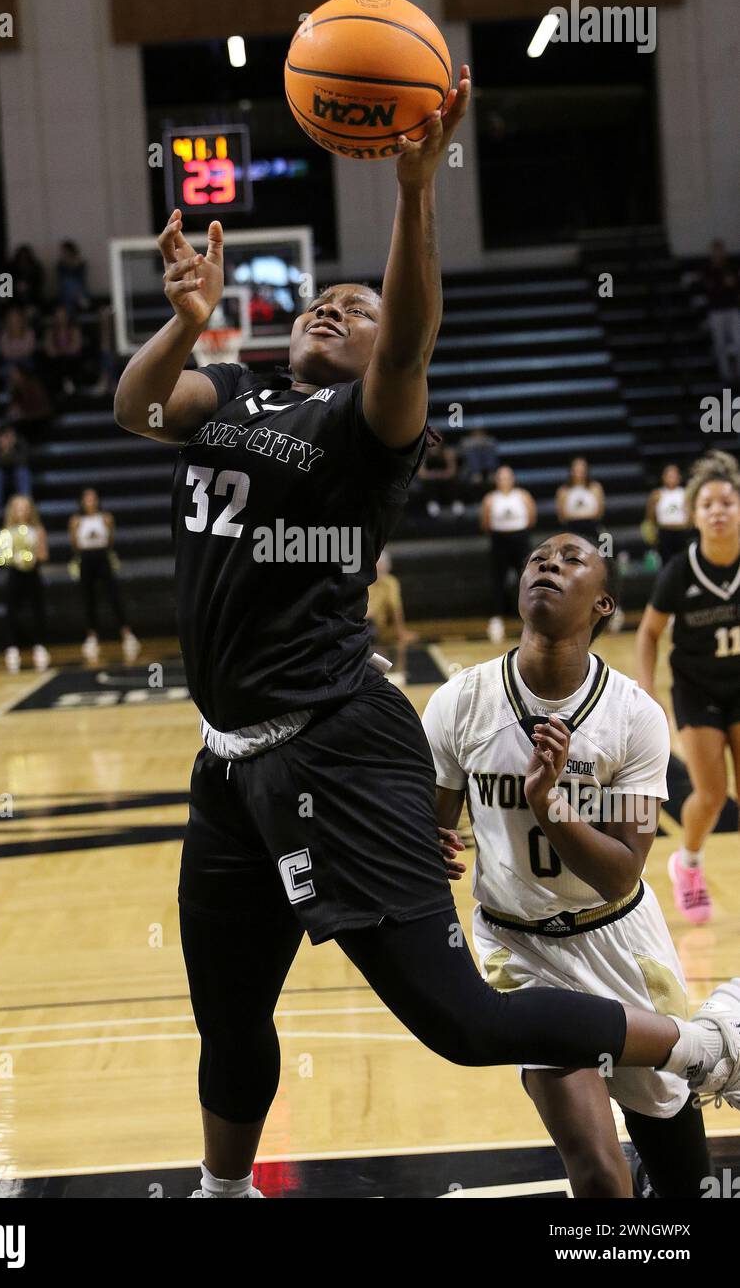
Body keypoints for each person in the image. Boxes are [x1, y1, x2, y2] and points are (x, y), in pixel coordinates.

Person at [115, 77, 740, 1199]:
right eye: (319, 302)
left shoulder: (368, 431)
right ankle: (220, 1190)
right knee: (226, 1007)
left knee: (458, 1021)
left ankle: (693, 1045)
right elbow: (136, 409)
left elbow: (407, 340)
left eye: (352, 310)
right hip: (229, 755)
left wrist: (413, 193)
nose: (329, 311)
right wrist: (182, 322)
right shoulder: (233, 393)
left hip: (334, 744)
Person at [424, 535, 711, 1198]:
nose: (548, 564)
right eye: (538, 558)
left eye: (572, 559)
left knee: (682, 1174)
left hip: (620, 942)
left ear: (603, 603)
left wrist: (549, 804)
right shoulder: (459, 703)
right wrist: (421, 844)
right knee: (598, 1174)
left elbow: (620, 874)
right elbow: (430, 829)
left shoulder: (634, 716)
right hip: (521, 951)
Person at [637, 449, 740, 925]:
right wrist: (647, 690)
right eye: (708, 504)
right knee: (713, 794)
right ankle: (689, 863)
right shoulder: (681, 570)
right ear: (694, 515)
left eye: (727, 501)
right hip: (696, 689)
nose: (718, 510)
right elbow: (648, 633)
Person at [68, 488, 140, 664]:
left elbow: (110, 541)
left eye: (93, 498)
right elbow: (75, 544)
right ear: (82, 501)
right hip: (86, 558)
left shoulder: (106, 517)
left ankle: (126, 633)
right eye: (87, 498)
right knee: (88, 598)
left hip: (102, 557)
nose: (90, 501)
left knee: (113, 595)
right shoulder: (76, 520)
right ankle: (92, 635)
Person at [481, 465, 537, 644]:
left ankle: (531, 617)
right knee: (498, 579)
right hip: (499, 540)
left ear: (513, 479)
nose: (504, 480)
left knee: (527, 578)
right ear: (496, 480)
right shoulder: (490, 498)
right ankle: (497, 617)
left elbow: (531, 518)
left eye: (507, 477)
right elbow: (485, 523)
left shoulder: (523, 495)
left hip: (520, 539)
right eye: (500, 477)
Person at [0, 495, 50, 672]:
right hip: (14, 573)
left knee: (38, 609)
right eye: (18, 507)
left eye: (25, 507)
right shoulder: (6, 531)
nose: (21, 511)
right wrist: (15, 558)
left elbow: (43, 554)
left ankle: (40, 645)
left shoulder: (38, 530)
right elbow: (2, 557)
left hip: (33, 572)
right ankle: (12, 648)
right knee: (11, 610)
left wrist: (31, 556)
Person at [366, 550, 417, 682]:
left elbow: (396, 609)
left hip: (375, 628)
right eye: (378, 568)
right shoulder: (362, 580)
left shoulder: (391, 582)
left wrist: (401, 632)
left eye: (383, 568)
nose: (381, 572)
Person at [702, 239, 740, 382]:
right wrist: (724, 284)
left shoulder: (731, 266)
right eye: (715, 252)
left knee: (738, 341)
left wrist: (727, 284)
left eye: (720, 251)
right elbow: (709, 289)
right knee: (720, 344)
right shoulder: (707, 269)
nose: (718, 254)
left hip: (731, 308)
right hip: (716, 310)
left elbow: (734, 285)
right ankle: (726, 374)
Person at [646, 463, 692, 566]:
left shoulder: (685, 494)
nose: (671, 479)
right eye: (669, 476)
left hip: (681, 532)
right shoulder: (657, 494)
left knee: (682, 562)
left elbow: (690, 514)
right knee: (666, 562)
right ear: (663, 477)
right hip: (664, 532)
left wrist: (687, 526)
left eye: (674, 475)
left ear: (679, 477)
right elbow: (650, 515)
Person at [555, 456, 604, 543]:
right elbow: (561, 516)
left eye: (582, 469)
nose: (579, 472)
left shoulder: (595, 487)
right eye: (576, 469)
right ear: (571, 471)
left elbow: (599, 512)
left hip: (591, 526)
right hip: (571, 527)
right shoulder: (563, 490)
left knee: (606, 539)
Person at [0, 425, 32, 513]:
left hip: (17, 475)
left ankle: (26, 503)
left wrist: (10, 451)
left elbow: (24, 461)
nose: (7, 440)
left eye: (9, 436)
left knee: (22, 471)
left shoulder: (21, 443)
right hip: (2, 477)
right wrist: (4, 451)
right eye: (4, 436)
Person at [415, 433, 461, 518]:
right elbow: (422, 474)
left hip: (445, 479)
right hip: (430, 480)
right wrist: (433, 474)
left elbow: (452, 471)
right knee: (429, 483)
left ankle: (455, 503)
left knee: (453, 481)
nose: (433, 441)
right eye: (430, 438)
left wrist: (440, 474)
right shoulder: (422, 453)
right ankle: (432, 504)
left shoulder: (447, 452)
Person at [43, 305, 84, 396]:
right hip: (56, 362)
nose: (61, 319)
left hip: (72, 360)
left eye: (63, 316)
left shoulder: (74, 330)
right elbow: (49, 350)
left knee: (68, 362)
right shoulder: (50, 332)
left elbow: (76, 347)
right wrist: (62, 351)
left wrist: (62, 351)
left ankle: (71, 386)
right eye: (58, 316)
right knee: (57, 363)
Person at [6, 245, 45, 316]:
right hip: (14, 299)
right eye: (21, 256)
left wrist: (28, 287)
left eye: (25, 256)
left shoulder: (36, 268)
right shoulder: (11, 268)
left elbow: (39, 285)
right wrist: (15, 286)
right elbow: (5, 288)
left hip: (32, 300)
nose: (23, 258)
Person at [459, 425, 498, 495]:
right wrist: (479, 443)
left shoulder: (489, 443)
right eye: (476, 433)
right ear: (472, 434)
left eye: (480, 433)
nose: (478, 436)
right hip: (470, 471)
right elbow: (462, 447)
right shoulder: (466, 442)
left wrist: (478, 443)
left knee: (488, 452)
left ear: (484, 433)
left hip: (487, 470)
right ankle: (476, 473)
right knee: (472, 453)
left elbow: (493, 443)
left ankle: (490, 473)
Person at [56, 240, 90, 314]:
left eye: (65, 251)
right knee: (68, 282)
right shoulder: (60, 265)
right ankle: (79, 299)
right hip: (66, 294)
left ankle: (78, 298)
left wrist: (75, 264)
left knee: (71, 283)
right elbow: (61, 280)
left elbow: (81, 279)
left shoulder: (80, 263)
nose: (63, 253)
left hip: (79, 289)